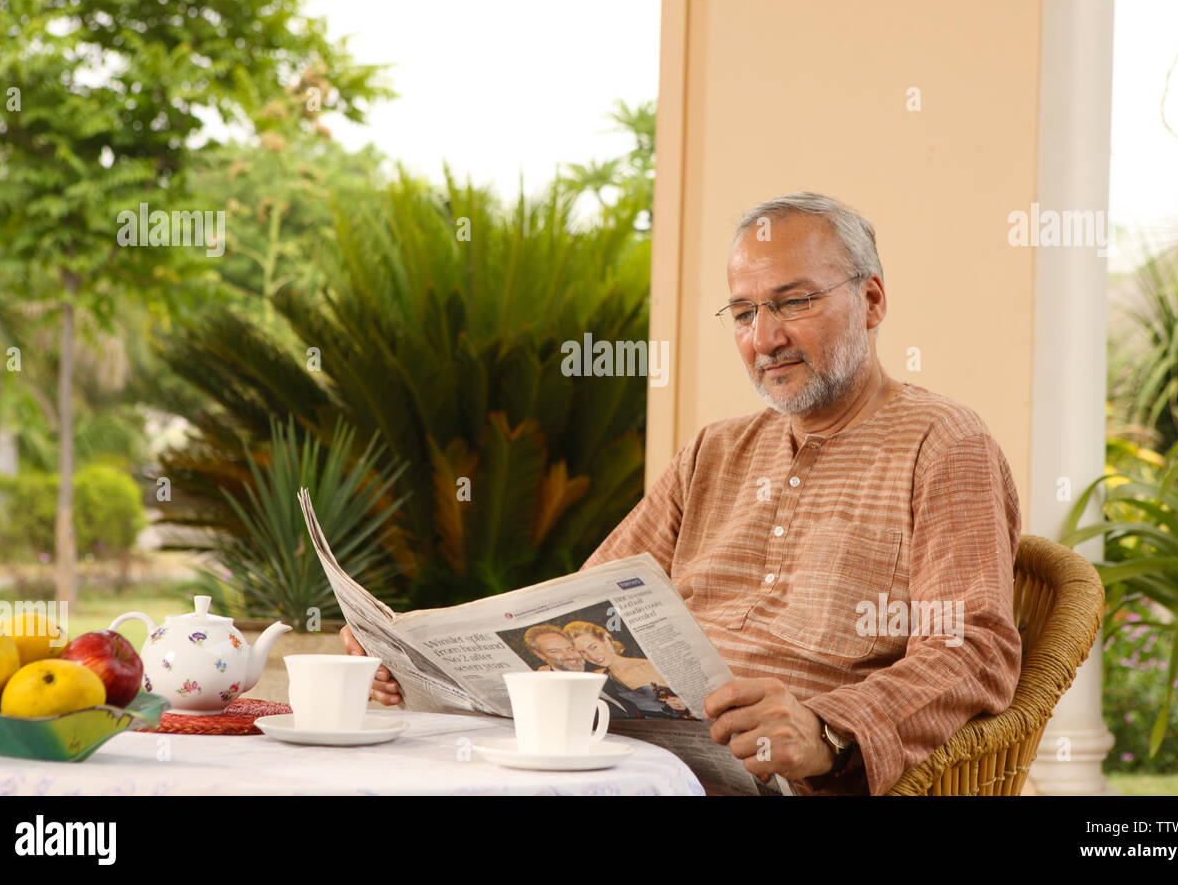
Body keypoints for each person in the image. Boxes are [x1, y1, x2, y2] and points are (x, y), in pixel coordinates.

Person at [344, 191, 1022, 795]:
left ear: (871, 300)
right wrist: (418, 658)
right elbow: (573, 611)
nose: (766, 338)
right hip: (624, 763)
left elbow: (972, 652)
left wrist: (827, 730)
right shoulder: (714, 451)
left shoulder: (943, 442)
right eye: (744, 312)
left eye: (794, 301)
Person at [563, 620, 694, 719]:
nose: (591, 656)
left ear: (606, 640)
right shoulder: (598, 678)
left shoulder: (650, 666)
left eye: (593, 647)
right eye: (582, 653)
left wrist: (687, 707)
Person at [521, 622, 639, 719]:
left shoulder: (601, 675)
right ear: (540, 655)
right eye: (555, 651)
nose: (569, 655)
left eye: (571, 648)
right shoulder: (547, 689)